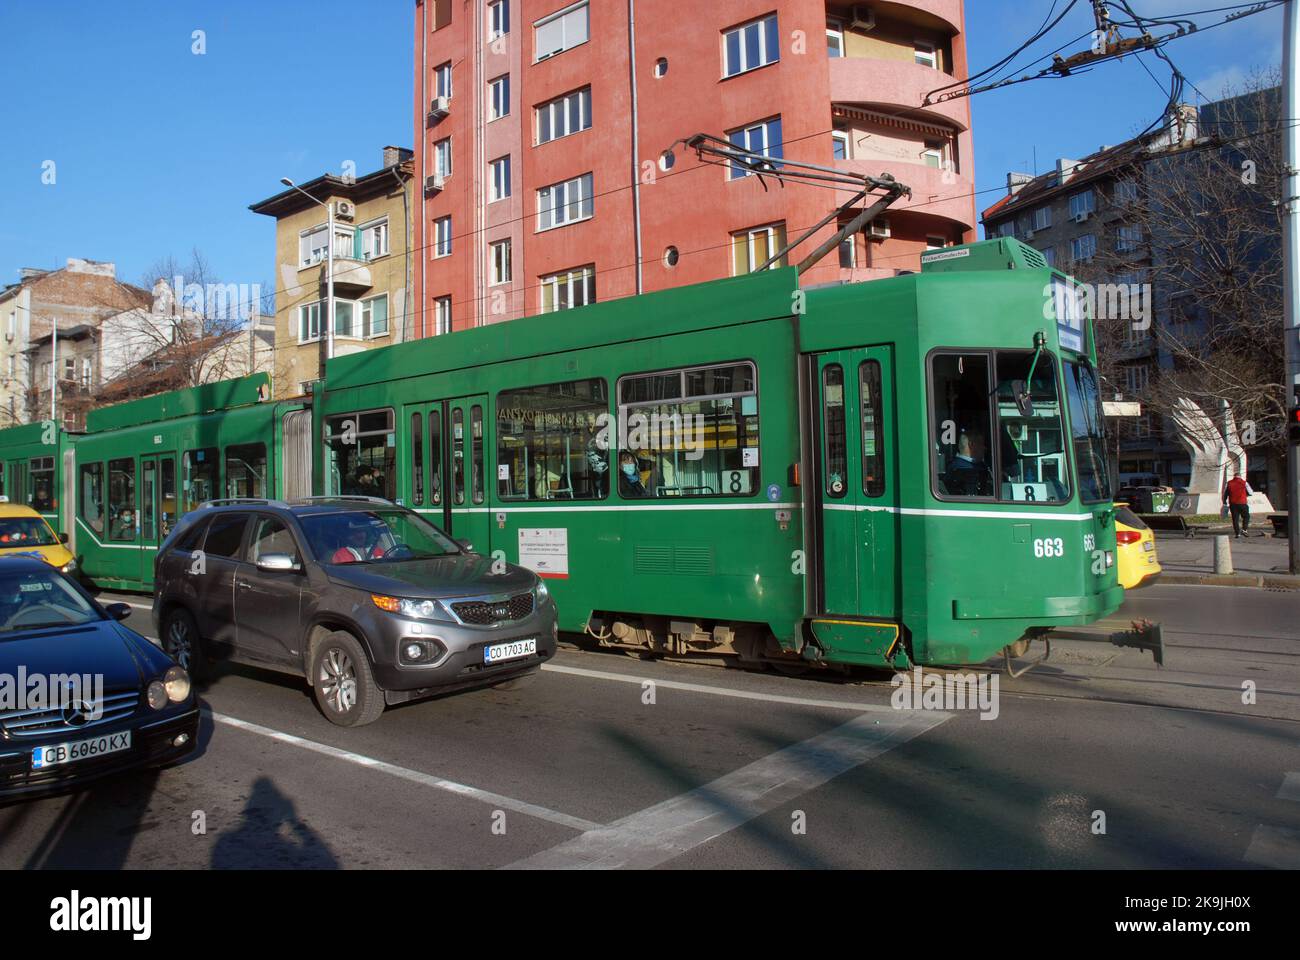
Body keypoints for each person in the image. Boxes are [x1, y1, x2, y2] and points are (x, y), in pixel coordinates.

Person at [945, 431, 992, 496]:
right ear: (971, 445)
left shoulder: (952, 466)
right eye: (981, 444)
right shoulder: (958, 469)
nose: (984, 448)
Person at [1222, 469, 1254, 539]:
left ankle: (1237, 533)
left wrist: (1224, 502)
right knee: (1246, 516)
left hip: (1233, 504)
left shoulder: (1229, 483)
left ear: (1234, 476)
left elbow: (1225, 493)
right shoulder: (1244, 483)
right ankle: (1244, 529)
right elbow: (1251, 493)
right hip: (1242, 503)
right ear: (1240, 476)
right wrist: (1246, 495)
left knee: (1235, 519)